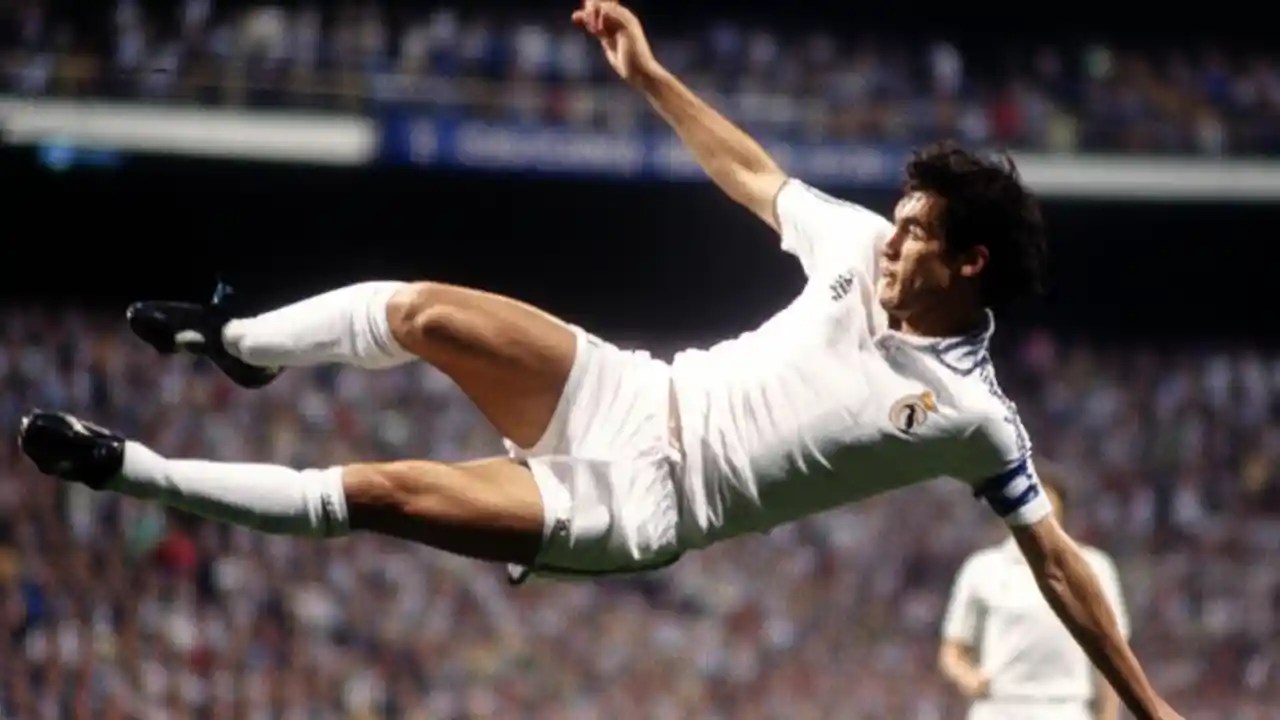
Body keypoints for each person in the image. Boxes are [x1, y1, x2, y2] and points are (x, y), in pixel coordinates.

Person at [16, 2, 1180, 717]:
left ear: (967, 263)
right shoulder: (859, 244)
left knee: (378, 492)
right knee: (423, 310)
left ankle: (127, 468)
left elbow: (1061, 566)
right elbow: (750, 174)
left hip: (639, 505)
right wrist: (648, 76)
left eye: (917, 232)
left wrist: (1149, 711)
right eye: (896, 217)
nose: (891, 237)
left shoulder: (976, 417)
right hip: (635, 387)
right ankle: (238, 343)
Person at [940, 460, 1128, 720]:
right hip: (1000, 705)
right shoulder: (983, 568)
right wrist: (968, 678)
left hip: (1065, 707)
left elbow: (1112, 656)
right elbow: (953, 650)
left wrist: (1108, 717)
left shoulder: (1093, 568)